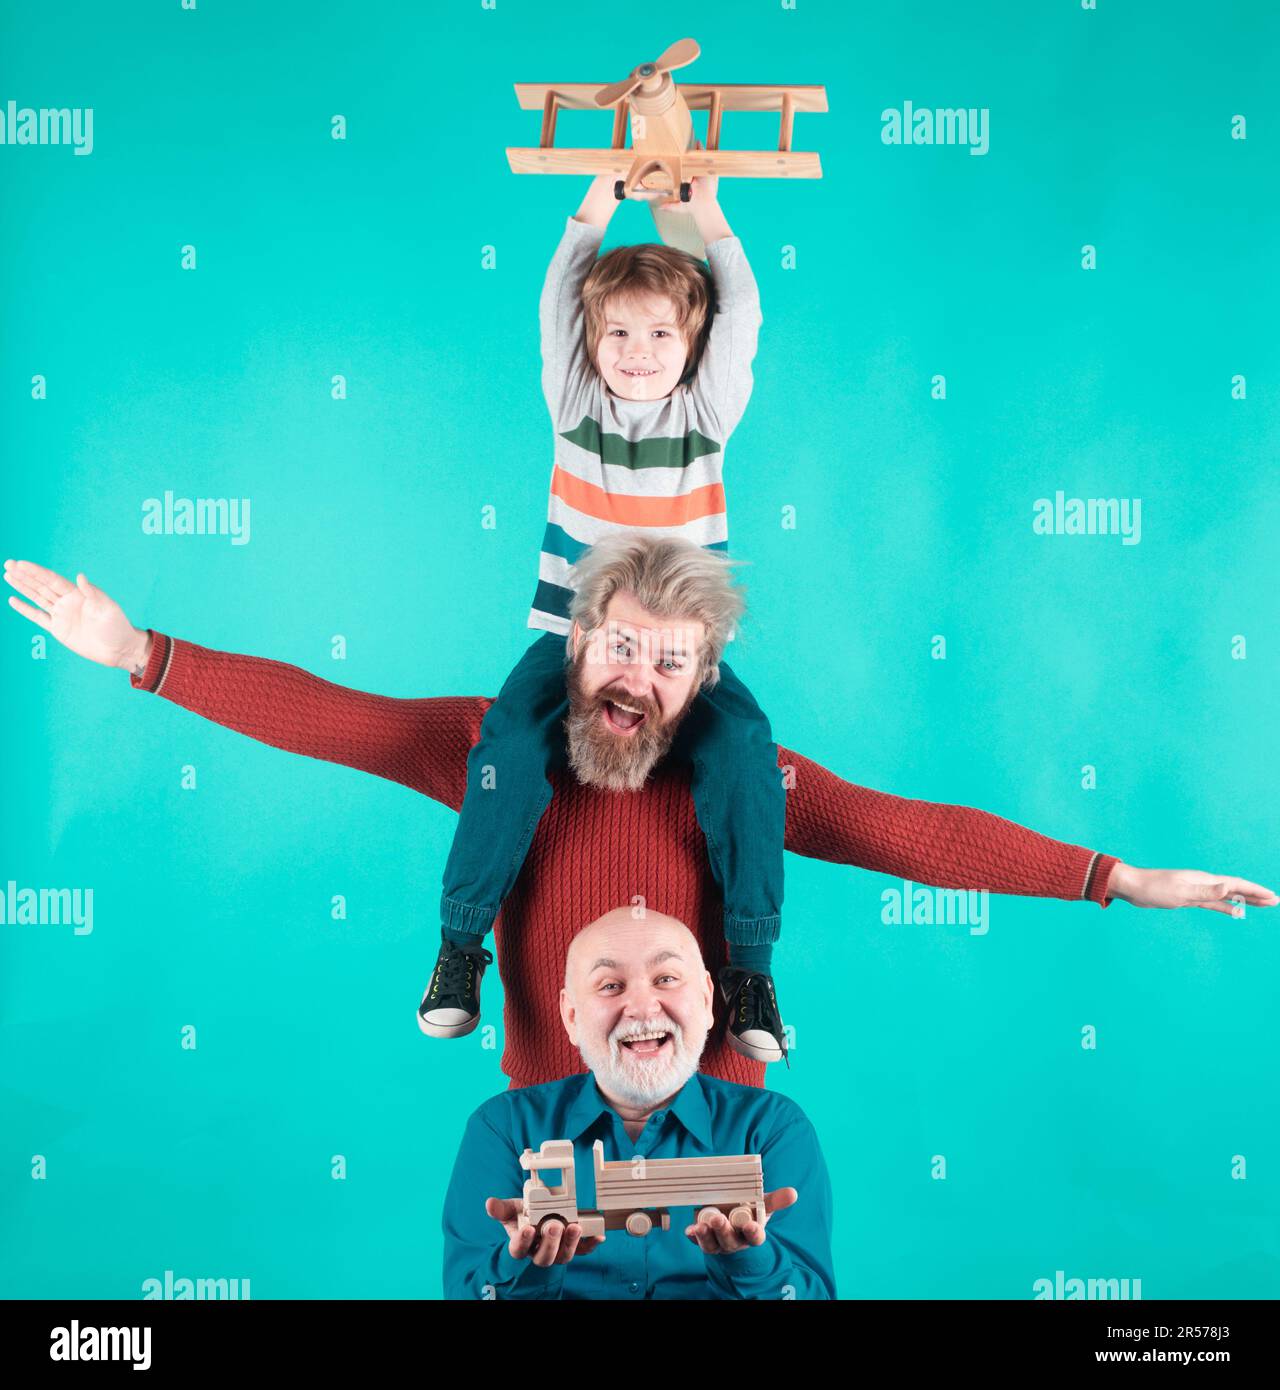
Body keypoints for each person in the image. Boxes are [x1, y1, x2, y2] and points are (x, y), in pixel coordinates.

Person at [6, 539, 1273, 1091]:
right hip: (547, 1127)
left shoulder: (746, 786)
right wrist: (141, 651)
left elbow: (915, 834)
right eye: (617, 647)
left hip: (722, 1128)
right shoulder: (486, 749)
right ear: (578, 647)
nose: (635, 678)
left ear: (701, 678)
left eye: (667, 661)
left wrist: (1121, 878)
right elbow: (326, 713)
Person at [433, 170, 791, 1065]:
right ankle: (460, 945)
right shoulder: (575, 408)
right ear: (590, 344)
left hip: (681, 656)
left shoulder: (706, 416)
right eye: (618, 332)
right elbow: (559, 294)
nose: (638, 350)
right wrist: (598, 199)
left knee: (748, 751)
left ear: (691, 342)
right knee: (506, 746)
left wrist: (705, 211)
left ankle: (749, 967)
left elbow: (742, 310)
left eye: (661, 332)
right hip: (571, 644)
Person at [441, 906, 835, 1301]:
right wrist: (522, 1268)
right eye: (610, 985)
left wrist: (750, 1261)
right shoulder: (502, 1127)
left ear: (705, 1000)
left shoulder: (774, 1129)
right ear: (571, 1016)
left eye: (666, 978)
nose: (644, 1008)